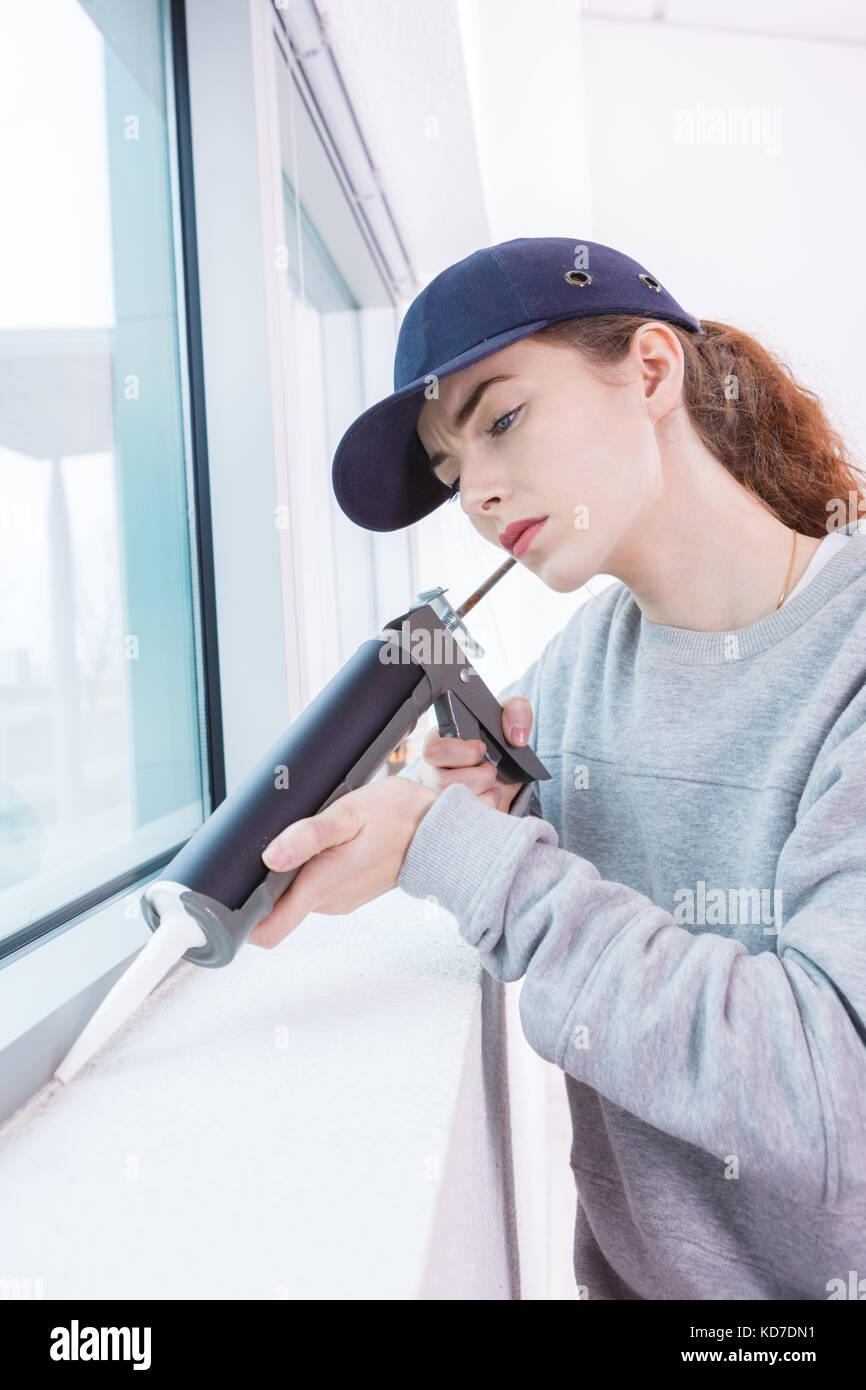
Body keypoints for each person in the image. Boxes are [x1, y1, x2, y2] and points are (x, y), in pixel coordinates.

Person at [249, 238, 866, 1301]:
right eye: (449, 474)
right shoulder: (577, 669)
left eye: (499, 419)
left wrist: (468, 853)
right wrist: (486, 810)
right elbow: (496, 852)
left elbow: (827, 1100)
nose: (479, 495)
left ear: (649, 369)